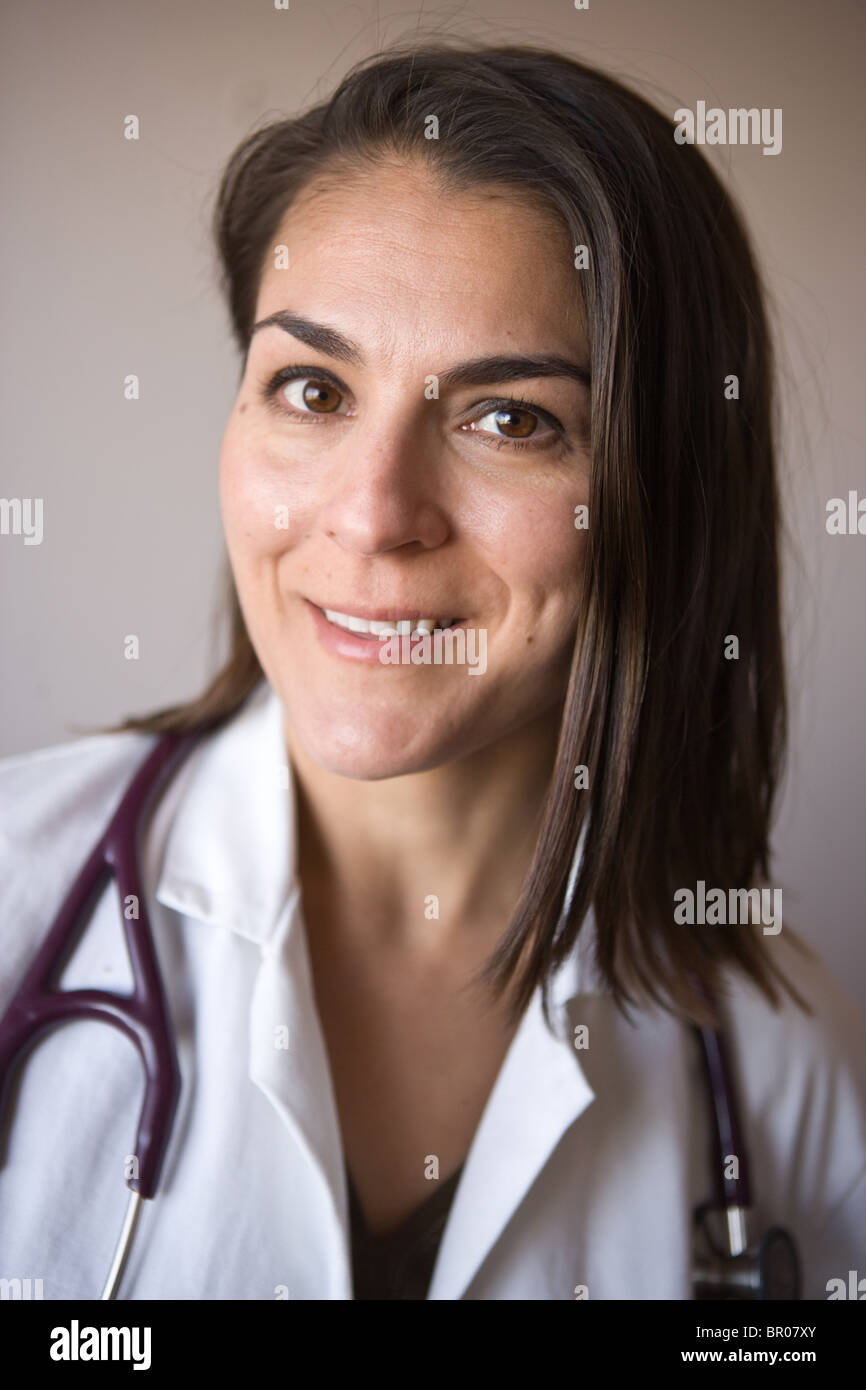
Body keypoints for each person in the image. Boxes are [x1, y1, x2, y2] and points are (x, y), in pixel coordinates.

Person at [1, 40, 864, 1302]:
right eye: (311, 386)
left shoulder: (774, 1051)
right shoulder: (19, 887)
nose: (371, 513)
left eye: (509, 418)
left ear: (663, 492)